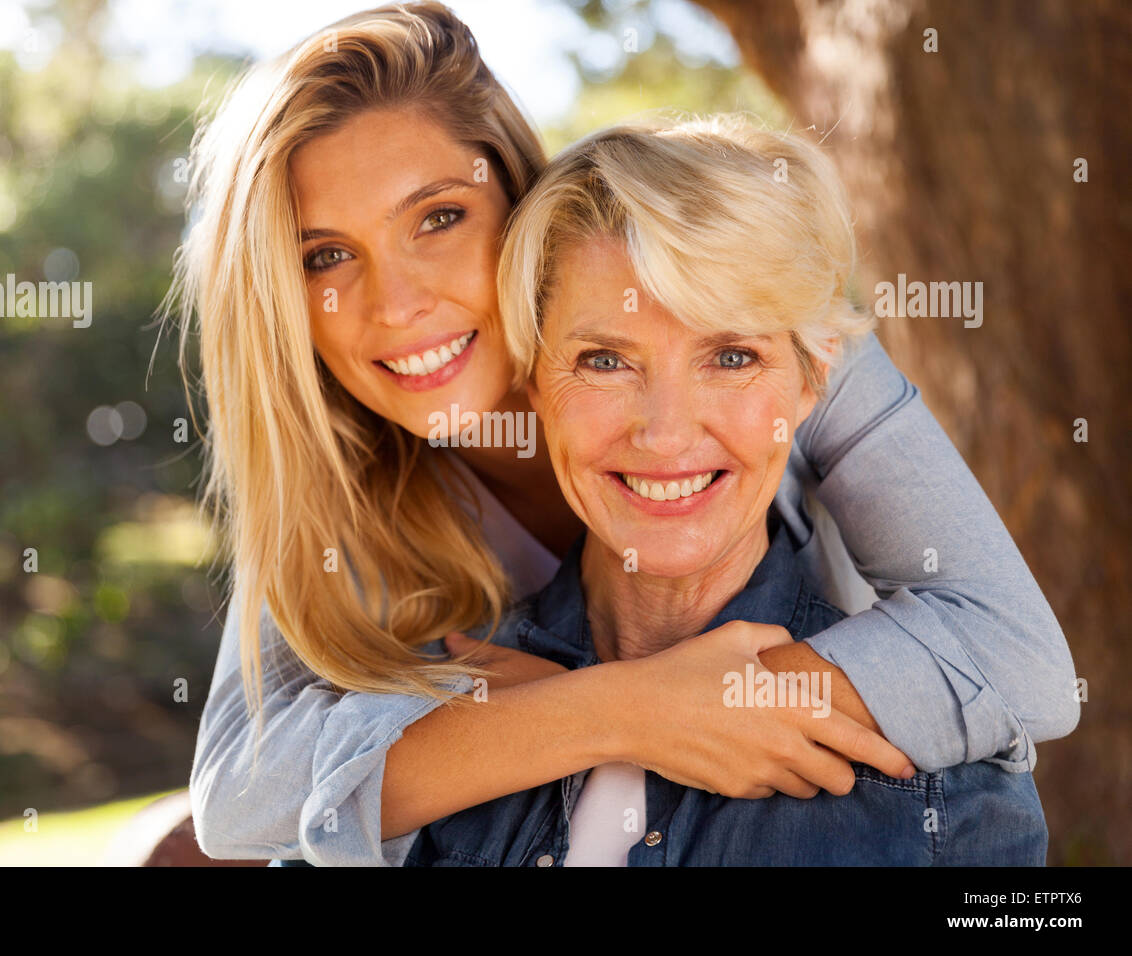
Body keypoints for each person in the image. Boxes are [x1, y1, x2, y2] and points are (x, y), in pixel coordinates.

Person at [167, 3, 1077, 866]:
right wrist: (627, 710)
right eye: (325, 255)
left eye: (438, 218)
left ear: (515, 206)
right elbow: (242, 792)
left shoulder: (752, 308)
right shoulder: (334, 464)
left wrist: (731, 699)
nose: (398, 303)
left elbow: (1019, 659)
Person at [406, 116, 1049, 865]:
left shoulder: (944, 768)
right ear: (532, 385)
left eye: (732, 355)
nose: (667, 433)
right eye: (605, 361)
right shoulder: (422, 714)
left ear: (814, 380)